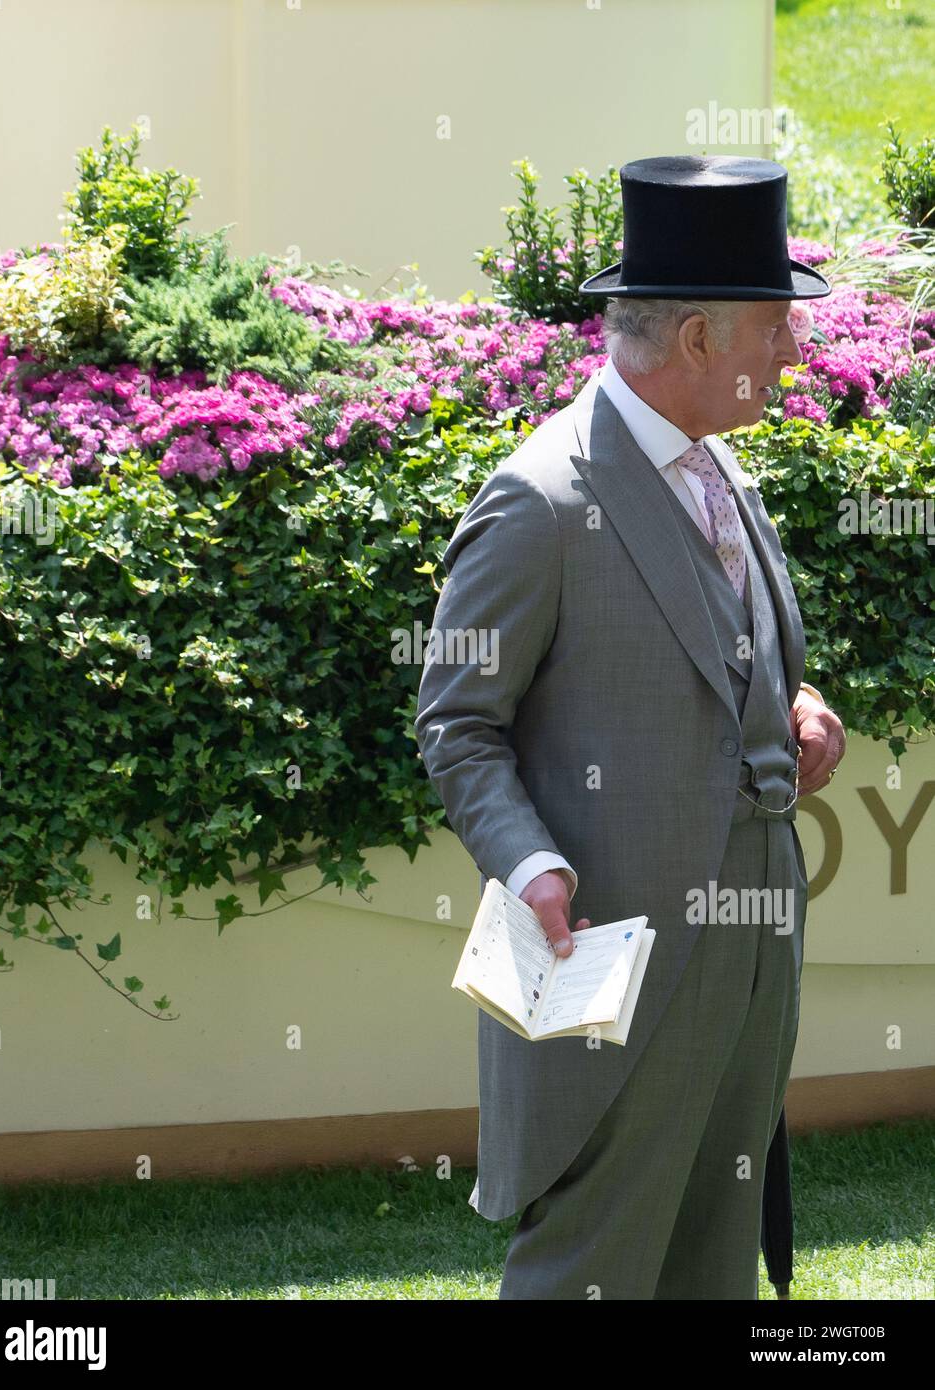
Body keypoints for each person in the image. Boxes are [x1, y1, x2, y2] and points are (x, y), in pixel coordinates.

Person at [413, 155, 846, 1300]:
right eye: (773, 325)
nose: (791, 353)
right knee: (591, 1266)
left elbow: (723, 668)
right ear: (697, 339)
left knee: (713, 1260)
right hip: (614, 959)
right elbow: (456, 721)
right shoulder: (538, 499)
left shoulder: (725, 475)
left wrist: (791, 713)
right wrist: (532, 861)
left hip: (753, 951)